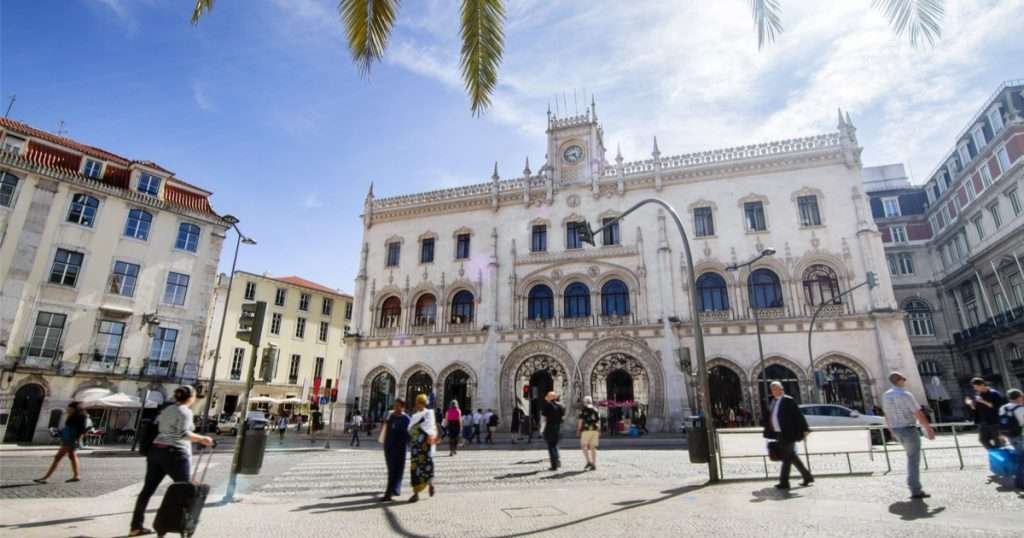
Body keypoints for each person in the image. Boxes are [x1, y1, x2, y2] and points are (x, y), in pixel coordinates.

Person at [129, 386, 214, 536]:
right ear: (191, 398)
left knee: (147, 490)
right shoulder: (185, 411)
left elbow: (161, 428)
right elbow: (183, 434)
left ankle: (136, 526)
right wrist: (204, 439)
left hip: (156, 451)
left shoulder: (166, 410)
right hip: (175, 453)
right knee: (186, 490)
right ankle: (181, 526)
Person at [882, 371, 936, 499]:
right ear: (899, 380)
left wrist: (890, 430)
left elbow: (886, 414)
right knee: (913, 459)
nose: (905, 381)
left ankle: (914, 486)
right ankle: (915, 489)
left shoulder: (886, 395)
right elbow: (918, 413)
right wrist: (928, 428)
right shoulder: (905, 394)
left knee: (911, 457)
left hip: (896, 430)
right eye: (903, 378)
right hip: (908, 430)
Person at [762, 381, 814, 490]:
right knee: (792, 457)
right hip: (779, 433)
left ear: (782, 389)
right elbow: (771, 415)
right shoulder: (774, 401)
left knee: (787, 458)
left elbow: (798, 416)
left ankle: (784, 482)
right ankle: (807, 476)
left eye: (776, 389)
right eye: (772, 389)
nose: (774, 391)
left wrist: (805, 430)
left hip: (789, 433)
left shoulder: (788, 400)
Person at [34, 402, 88, 484]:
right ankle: (76, 476)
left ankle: (46, 477)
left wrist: (78, 440)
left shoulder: (81, 417)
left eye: (70, 409)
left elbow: (82, 430)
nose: (68, 410)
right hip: (68, 439)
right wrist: (59, 433)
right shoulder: (72, 416)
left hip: (70, 440)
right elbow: (68, 428)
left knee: (57, 457)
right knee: (72, 457)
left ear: (75, 409)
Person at [407, 394, 437, 502]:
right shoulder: (417, 415)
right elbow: (410, 428)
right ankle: (417, 492)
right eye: (417, 402)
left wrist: (417, 430)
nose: (418, 404)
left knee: (424, 467)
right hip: (417, 447)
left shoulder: (428, 413)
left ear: (423, 403)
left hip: (424, 446)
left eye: (420, 402)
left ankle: (428, 486)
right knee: (417, 468)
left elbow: (429, 429)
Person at [381, 398, 411, 501]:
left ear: (403, 407)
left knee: (396, 470)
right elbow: (385, 429)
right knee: (392, 469)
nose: (395, 407)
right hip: (389, 446)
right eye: (395, 405)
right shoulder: (391, 417)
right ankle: (395, 489)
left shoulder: (406, 419)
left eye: (398, 405)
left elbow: (410, 435)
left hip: (400, 448)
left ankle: (389, 492)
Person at [964, 377, 1006, 449]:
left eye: (976, 387)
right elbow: (975, 409)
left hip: (994, 421)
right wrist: (970, 404)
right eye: (974, 387)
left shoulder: (994, 393)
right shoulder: (978, 395)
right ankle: (993, 453)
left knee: (998, 440)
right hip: (982, 422)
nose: (975, 389)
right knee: (982, 440)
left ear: (982, 384)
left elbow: (998, 407)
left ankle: (1002, 455)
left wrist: (983, 401)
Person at [998, 388, 1024, 490]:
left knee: (1019, 458)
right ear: (1019, 397)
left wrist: (1001, 435)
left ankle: (1019, 481)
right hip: (1019, 435)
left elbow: (1001, 422)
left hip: (1009, 435)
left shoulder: (1003, 408)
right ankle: (1020, 483)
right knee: (1022, 459)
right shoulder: (1021, 409)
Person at [541, 391, 565, 470]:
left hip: (550, 428)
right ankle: (557, 460)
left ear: (550, 397)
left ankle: (554, 465)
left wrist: (542, 429)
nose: (547, 398)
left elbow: (544, 418)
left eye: (548, 396)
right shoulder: (561, 405)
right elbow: (563, 417)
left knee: (551, 446)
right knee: (555, 445)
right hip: (558, 427)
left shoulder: (548, 405)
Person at [577, 396, 600, 471]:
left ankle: (588, 461)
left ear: (585, 402)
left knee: (584, 446)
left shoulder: (583, 410)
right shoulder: (596, 409)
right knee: (593, 447)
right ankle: (594, 463)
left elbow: (580, 421)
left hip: (586, 430)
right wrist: (599, 430)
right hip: (595, 429)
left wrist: (578, 430)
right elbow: (599, 421)